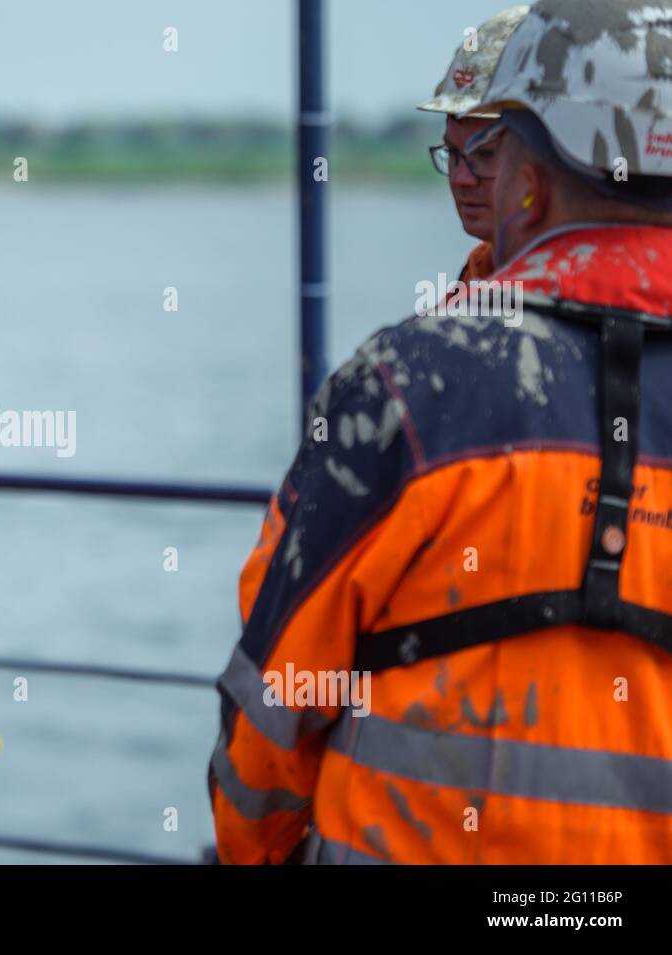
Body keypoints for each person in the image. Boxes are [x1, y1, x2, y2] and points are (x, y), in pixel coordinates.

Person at [210, 0, 672, 864]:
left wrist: (256, 848)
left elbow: (271, 706)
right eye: (453, 151)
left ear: (527, 169)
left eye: (488, 152)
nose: (468, 174)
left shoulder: (408, 386)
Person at [418, 6, 529, 283]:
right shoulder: (480, 272)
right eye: (454, 153)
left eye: (486, 154)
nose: (460, 179)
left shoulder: (599, 290)